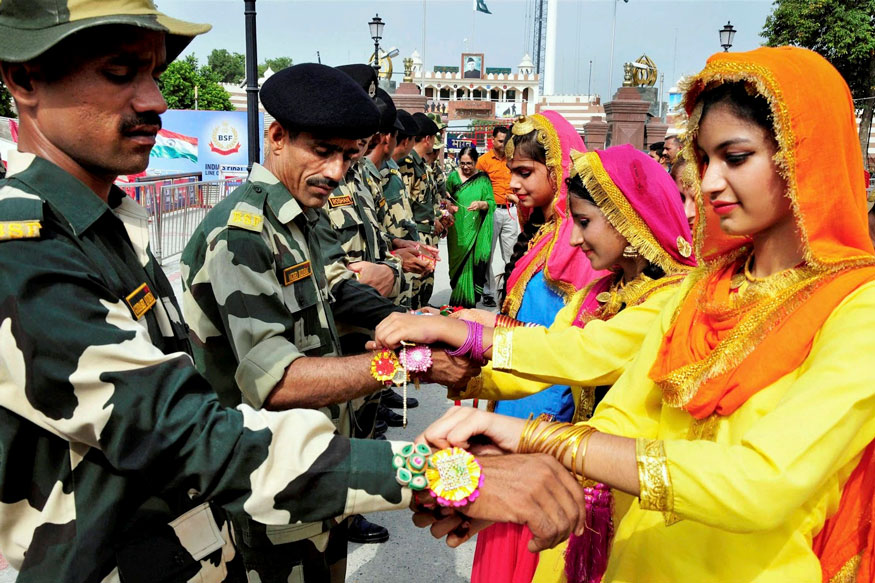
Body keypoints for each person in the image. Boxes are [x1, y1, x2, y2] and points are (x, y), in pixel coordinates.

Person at [419, 46, 875, 582]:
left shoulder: (857, 309)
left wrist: (531, 437)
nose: (708, 183)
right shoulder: (702, 290)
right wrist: (521, 479)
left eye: (735, 157)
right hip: (636, 561)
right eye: (705, 160)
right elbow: (624, 418)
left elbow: (760, 482)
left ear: (805, 156)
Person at [373, 144, 696, 581]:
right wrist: (447, 368)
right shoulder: (599, 293)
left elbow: (577, 355)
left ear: (628, 218)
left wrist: (464, 334)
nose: (575, 239)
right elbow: (542, 367)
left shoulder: (668, 300)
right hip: (584, 474)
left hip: (630, 491)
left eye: (584, 222)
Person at [445, 146, 495, 307]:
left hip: (475, 229)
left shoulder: (483, 179)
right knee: (456, 265)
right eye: (462, 163)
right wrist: (447, 202)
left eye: (469, 163)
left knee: (471, 263)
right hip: (456, 229)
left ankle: (466, 302)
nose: (465, 167)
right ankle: (458, 293)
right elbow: (444, 200)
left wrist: (481, 204)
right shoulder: (453, 177)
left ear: (475, 162)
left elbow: (491, 203)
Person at [477, 126, 516, 307]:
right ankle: (488, 293)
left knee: (512, 255)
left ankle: (510, 290)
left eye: (506, 141)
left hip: (511, 211)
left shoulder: (513, 159)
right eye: (500, 141)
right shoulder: (483, 161)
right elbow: (477, 186)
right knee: (488, 254)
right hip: (491, 212)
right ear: (492, 140)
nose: (503, 144)